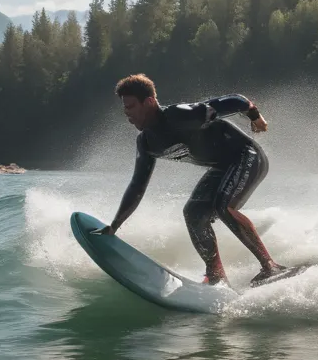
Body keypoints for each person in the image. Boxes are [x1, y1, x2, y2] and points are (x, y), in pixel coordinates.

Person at [98, 73, 287, 286]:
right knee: (193, 213)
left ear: (149, 102)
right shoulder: (146, 143)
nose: (127, 113)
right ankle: (216, 276)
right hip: (223, 167)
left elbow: (236, 101)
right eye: (125, 108)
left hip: (247, 156)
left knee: (224, 206)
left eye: (131, 106)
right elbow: (137, 185)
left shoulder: (181, 115)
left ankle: (270, 267)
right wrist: (115, 225)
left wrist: (255, 117)